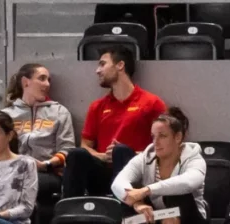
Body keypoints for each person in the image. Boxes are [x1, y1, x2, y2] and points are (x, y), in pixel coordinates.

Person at [61, 43, 165, 199]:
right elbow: (85, 145)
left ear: (120, 65)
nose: (97, 71)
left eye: (102, 64)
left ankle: (125, 208)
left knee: (121, 151)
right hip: (103, 171)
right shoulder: (97, 106)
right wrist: (102, 156)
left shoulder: (151, 103)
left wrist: (130, 153)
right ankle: (68, 211)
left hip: (136, 171)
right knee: (77, 154)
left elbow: (165, 146)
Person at [0, 62, 74, 224]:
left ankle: (0, 220)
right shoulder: (6, 115)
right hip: (11, 169)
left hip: (47, 173)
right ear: (26, 82)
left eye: (49, 80)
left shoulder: (59, 112)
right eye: (42, 79)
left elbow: (68, 149)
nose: (47, 84)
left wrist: (45, 164)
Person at [109, 106, 205, 224]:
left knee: (176, 191)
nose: (156, 142)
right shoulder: (145, 157)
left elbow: (189, 182)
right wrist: (137, 204)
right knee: (129, 192)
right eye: (153, 136)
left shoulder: (194, 158)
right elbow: (117, 183)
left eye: (162, 136)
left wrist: (147, 190)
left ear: (178, 137)